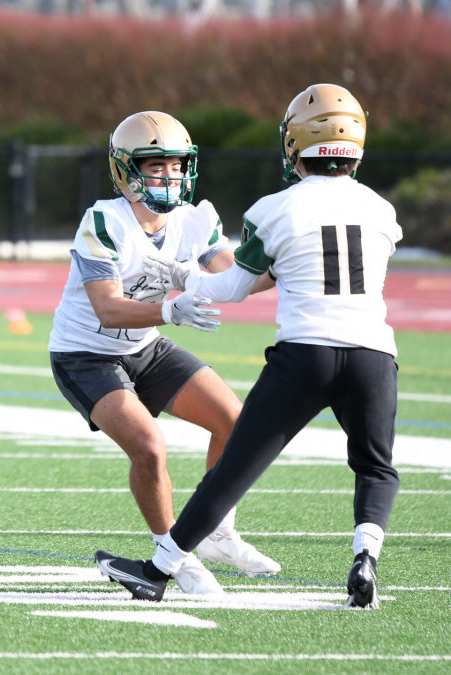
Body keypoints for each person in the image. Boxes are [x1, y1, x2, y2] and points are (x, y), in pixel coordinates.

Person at [96, 83, 400, 609]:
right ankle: (365, 559)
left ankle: (157, 570)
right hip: (374, 351)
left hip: (306, 353)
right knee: (375, 466)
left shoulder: (273, 209)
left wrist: (182, 277)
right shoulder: (382, 210)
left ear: (294, 143)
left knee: (235, 465)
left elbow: (232, 287)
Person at [48, 111, 279, 595]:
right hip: (84, 353)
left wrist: (284, 259)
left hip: (145, 347)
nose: (170, 176)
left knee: (235, 421)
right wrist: (172, 310)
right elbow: (108, 309)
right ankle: (174, 556)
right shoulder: (103, 221)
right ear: (125, 169)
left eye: (177, 166)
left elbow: (236, 279)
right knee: (150, 447)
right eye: (156, 165)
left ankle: (218, 530)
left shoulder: (193, 220)